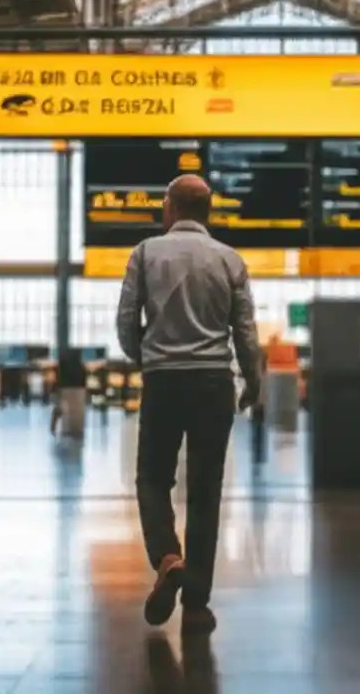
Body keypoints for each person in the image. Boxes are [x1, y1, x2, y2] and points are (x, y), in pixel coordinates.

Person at [116, 174, 262, 635]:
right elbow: (245, 330)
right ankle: (197, 605)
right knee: (205, 492)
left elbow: (125, 320)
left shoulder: (145, 253)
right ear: (209, 212)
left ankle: (167, 556)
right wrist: (252, 381)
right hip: (213, 384)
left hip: (164, 381)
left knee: (153, 478)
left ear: (169, 208)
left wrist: (147, 356)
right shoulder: (229, 259)